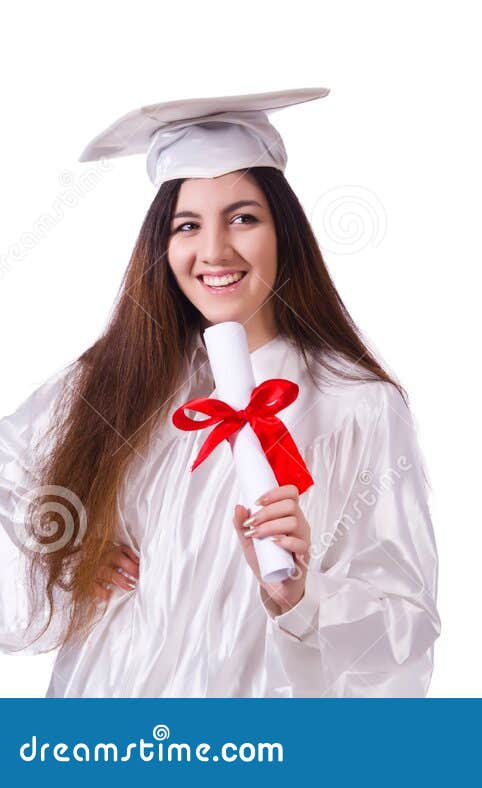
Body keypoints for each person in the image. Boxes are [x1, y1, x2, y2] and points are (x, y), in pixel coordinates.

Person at [0, 89, 439, 696]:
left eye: (242, 218)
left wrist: (299, 595)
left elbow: (406, 626)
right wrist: (67, 545)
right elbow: (9, 479)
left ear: (284, 232)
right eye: (188, 225)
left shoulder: (356, 405)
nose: (214, 252)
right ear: (163, 247)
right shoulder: (117, 380)